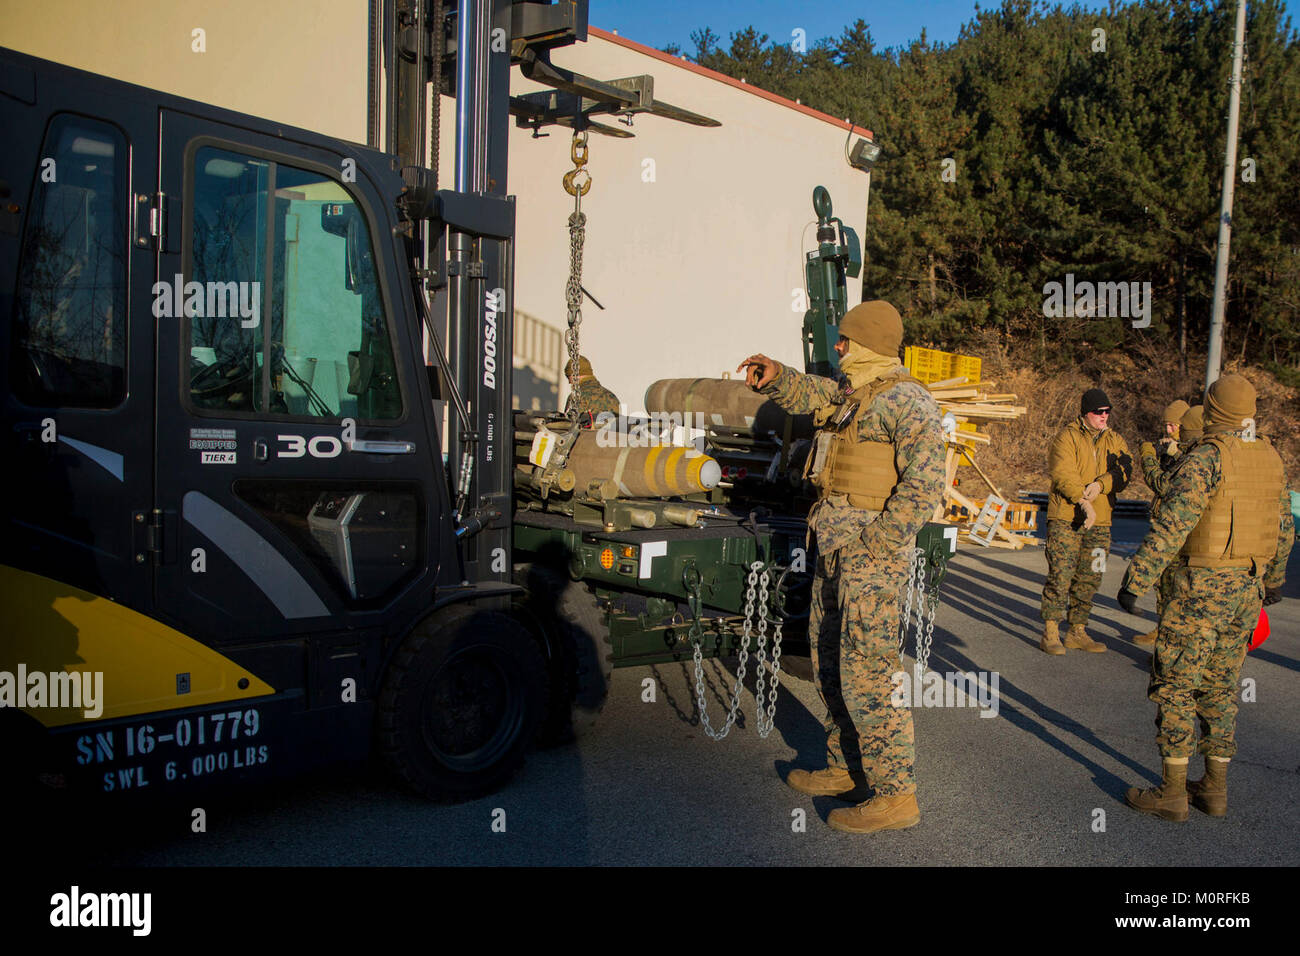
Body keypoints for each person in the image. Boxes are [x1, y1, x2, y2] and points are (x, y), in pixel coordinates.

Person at [737, 300, 945, 834]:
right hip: (833, 550)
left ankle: (897, 795)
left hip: (871, 559)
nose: (838, 348)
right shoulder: (855, 394)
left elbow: (923, 488)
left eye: (846, 341)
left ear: (869, 343)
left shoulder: (908, 401)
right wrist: (776, 376)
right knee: (830, 662)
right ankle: (847, 767)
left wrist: (877, 544)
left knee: (871, 673)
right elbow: (812, 394)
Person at [1117, 374, 1294, 821]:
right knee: (1221, 686)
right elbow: (1285, 527)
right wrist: (1273, 578)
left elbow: (1173, 523)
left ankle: (1172, 793)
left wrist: (1136, 581)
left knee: (1177, 685)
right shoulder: (1272, 458)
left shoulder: (1208, 457)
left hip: (1201, 588)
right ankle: (1214, 788)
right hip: (1247, 589)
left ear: (1214, 409)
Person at [1039, 389, 1134, 654]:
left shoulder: (1115, 440)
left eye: (1107, 412)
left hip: (1101, 523)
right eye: (1098, 412)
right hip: (1066, 519)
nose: (1104, 416)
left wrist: (1102, 485)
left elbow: (1125, 472)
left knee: (1092, 575)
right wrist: (1083, 501)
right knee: (1061, 574)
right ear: (1085, 413)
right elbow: (1063, 474)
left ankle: (1078, 630)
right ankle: (1051, 631)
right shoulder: (1066, 438)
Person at [1134, 399, 1192, 647]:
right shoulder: (1176, 449)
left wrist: (1148, 458)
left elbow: (1163, 485)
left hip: (1179, 533)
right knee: (1163, 585)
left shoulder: (1193, 453)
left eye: (1173, 425)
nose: (1168, 431)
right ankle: (1162, 630)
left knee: (1178, 591)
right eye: (1166, 425)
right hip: (1165, 526)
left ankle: (1172, 641)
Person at [563, 354, 620, 424]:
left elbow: (568, 429)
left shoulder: (576, 397)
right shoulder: (612, 397)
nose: (569, 382)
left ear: (573, 375)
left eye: (568, 376)